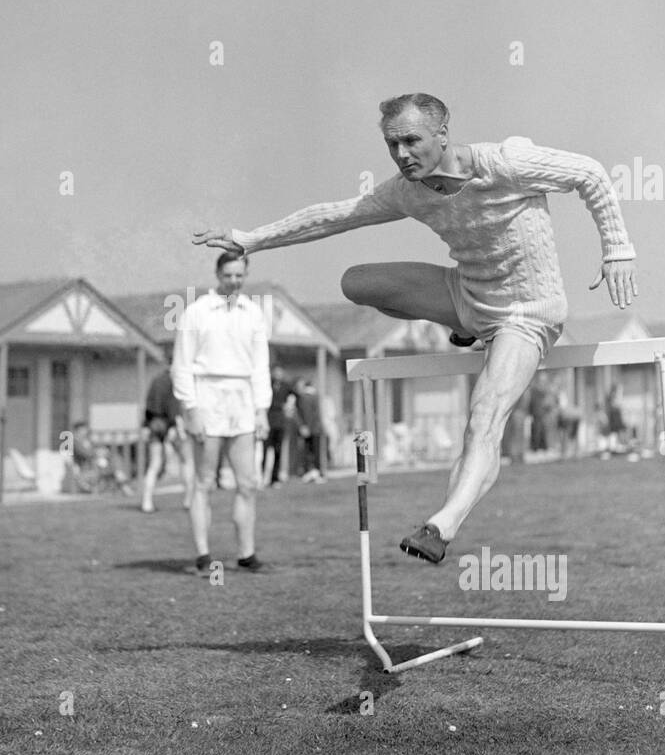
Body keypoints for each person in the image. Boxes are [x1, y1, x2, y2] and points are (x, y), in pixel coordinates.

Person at [194, 93, 637, 565]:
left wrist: (617, 249)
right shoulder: (407, 191)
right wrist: (252, 239)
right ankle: (463, 325)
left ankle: (441, 526)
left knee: (484, 416)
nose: (402, 155)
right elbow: (335, 216)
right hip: (467, 295)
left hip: (526, 313)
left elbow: (590, 173)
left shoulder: (506, 162)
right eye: (391, 144)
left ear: (443, 134)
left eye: (411, 141)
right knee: (356, 282)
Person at [172, 252, 272, 574]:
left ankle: (246, 553)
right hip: (207, 399)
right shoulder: (196, 312)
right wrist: (192, 409)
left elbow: (260, 366)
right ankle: (203, 554)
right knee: (204, 482)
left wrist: (261, 410)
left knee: (247, 483)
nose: (234, 281)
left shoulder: (254, 313)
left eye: (239, 276)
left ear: (246, 275)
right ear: (218, 274)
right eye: (228, 275)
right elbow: (182, 365)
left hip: (242, 401)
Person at [140, 355, 194, 512]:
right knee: (186, 460)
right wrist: (174, 425)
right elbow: (175, 407)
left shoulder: (156, 380)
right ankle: (189, 499)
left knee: (154, 464)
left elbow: (148, 407)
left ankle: (146, 501)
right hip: (172, 424)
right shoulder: (175, 380)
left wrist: (146, 425)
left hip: (154, 424)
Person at [263, 365, 294, 487]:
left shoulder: (286, 386)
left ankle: (274, 478)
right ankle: (262, 476)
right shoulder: (266, 385)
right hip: (268, 422)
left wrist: (290, 404)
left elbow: (294, 395)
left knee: (278, 451)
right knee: (265, 451)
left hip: (280, 423)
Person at [294, 378, 326, 483]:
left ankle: (310, 472)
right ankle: (317, 473)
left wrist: (305, 426)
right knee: (316, 452)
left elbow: (306, 414)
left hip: (309, 429)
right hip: (316, 428)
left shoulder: (304, 397)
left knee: (308, 452)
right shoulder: (314, 396)